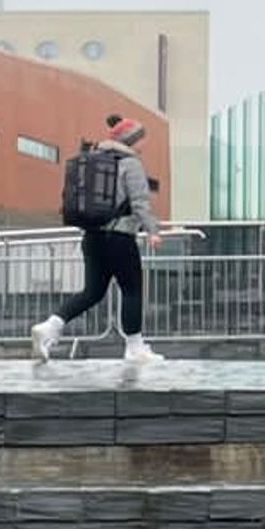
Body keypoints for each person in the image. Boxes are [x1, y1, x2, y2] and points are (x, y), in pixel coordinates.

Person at [31, 114, 165, 363]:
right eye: (141, 139)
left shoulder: (93, 159)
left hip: (92, 237)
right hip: (120, 238)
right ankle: (135, 348)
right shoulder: (130, 163)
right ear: (131, 140)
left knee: (92, 291)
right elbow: (140, 203)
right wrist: (153, 232)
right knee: (132, 290)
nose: (143, 144)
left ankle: (50, 326)